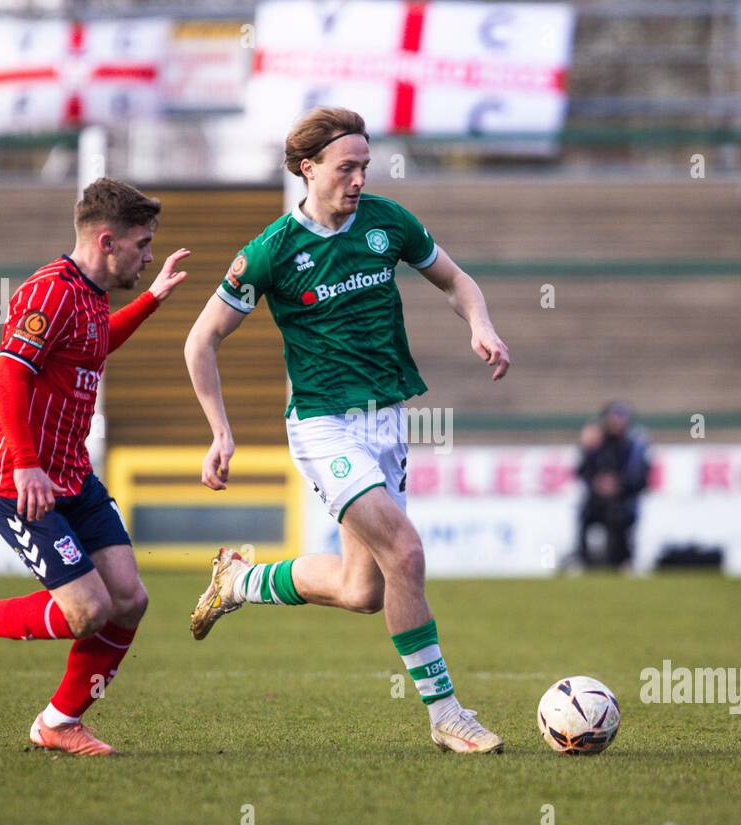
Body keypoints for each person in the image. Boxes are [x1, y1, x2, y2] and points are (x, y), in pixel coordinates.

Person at [183, 106, 512, 754]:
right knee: (408, 553)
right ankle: (446, 715)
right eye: (346, 167)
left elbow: (456, 280)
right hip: (324, 427)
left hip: (386, 422)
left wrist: (481, 324)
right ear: (309, 168)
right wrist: (220, 431)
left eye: (365, 165)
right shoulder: (271, 252)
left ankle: (239, 580)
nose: (359, 178)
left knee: (363, 589)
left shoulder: (388, 223)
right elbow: (201, 342)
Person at [0, 177, 191, 756]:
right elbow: (7, 373)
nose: (148, 253)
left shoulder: (89, 295)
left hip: (71, 475)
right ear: (107, 241)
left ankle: (57, 723)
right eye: (143, 244)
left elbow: (92, 344)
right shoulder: (49, 292)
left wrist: (151, 299)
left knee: (129, 599)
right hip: (19, 481)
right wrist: (28, 465)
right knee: (88, 611)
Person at [576, 402, 650, 569]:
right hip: (597, 500)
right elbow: (583, 472)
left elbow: (640, 477)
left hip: (624, 500)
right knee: (584, 514)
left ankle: (620, 560)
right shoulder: (597, 444)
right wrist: (598, 483)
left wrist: (618, 485)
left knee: (616, 516)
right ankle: (583, 559)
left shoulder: (634, 446)